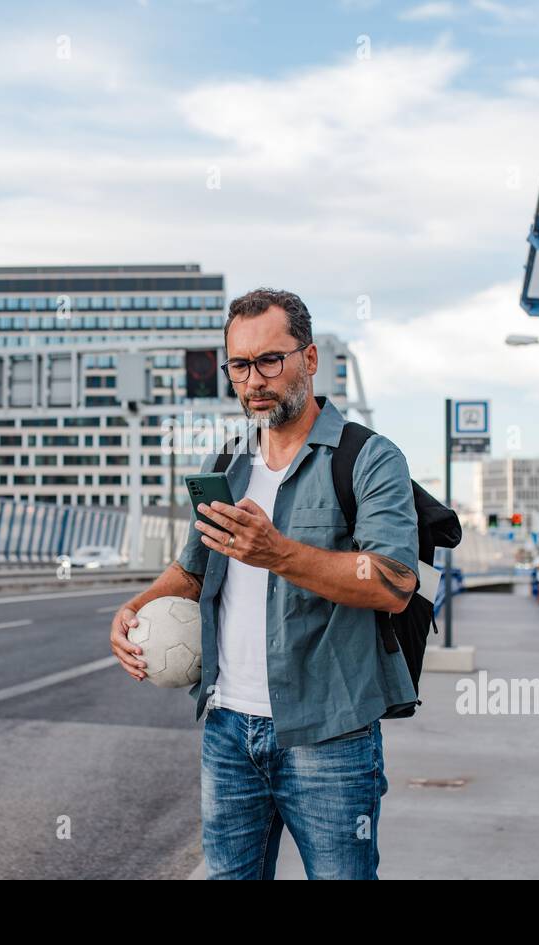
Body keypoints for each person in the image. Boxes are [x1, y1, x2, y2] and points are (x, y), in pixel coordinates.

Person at [107, 287, 419, 880]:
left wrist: (278, 552)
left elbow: (392, 582)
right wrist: (137, 606)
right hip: (227, 728)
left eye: (270, 360)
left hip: (330, 732)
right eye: (240, 366)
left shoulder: (369, 458)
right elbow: (193, 571)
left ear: (308, 359)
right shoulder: (227, 462)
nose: (255, 380)